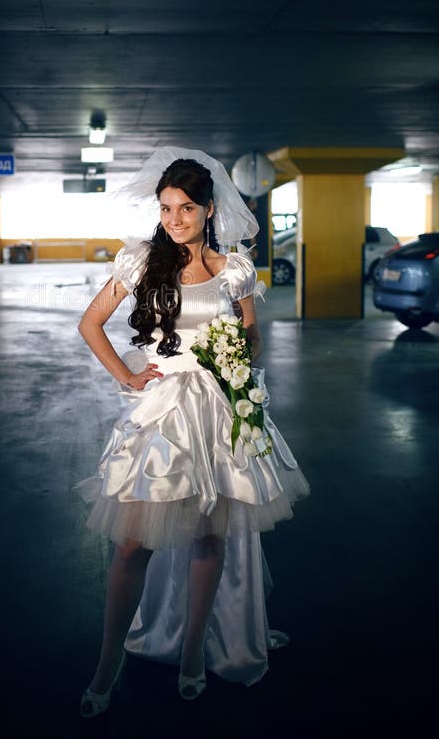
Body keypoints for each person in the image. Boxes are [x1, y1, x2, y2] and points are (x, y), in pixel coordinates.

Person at [76, 149, 309, 718]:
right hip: (161, 413)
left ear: (209, 210)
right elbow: (90, 323)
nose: (174, 218)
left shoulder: (234, 269)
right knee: (131, 542)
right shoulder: (139, 263)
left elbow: (252, 339)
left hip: (220, 411)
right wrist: (128, 375)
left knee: (211, 537)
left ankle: (191, 657)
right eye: (165, 208)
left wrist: (235, 355)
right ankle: (108, 664)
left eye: (185, 208)